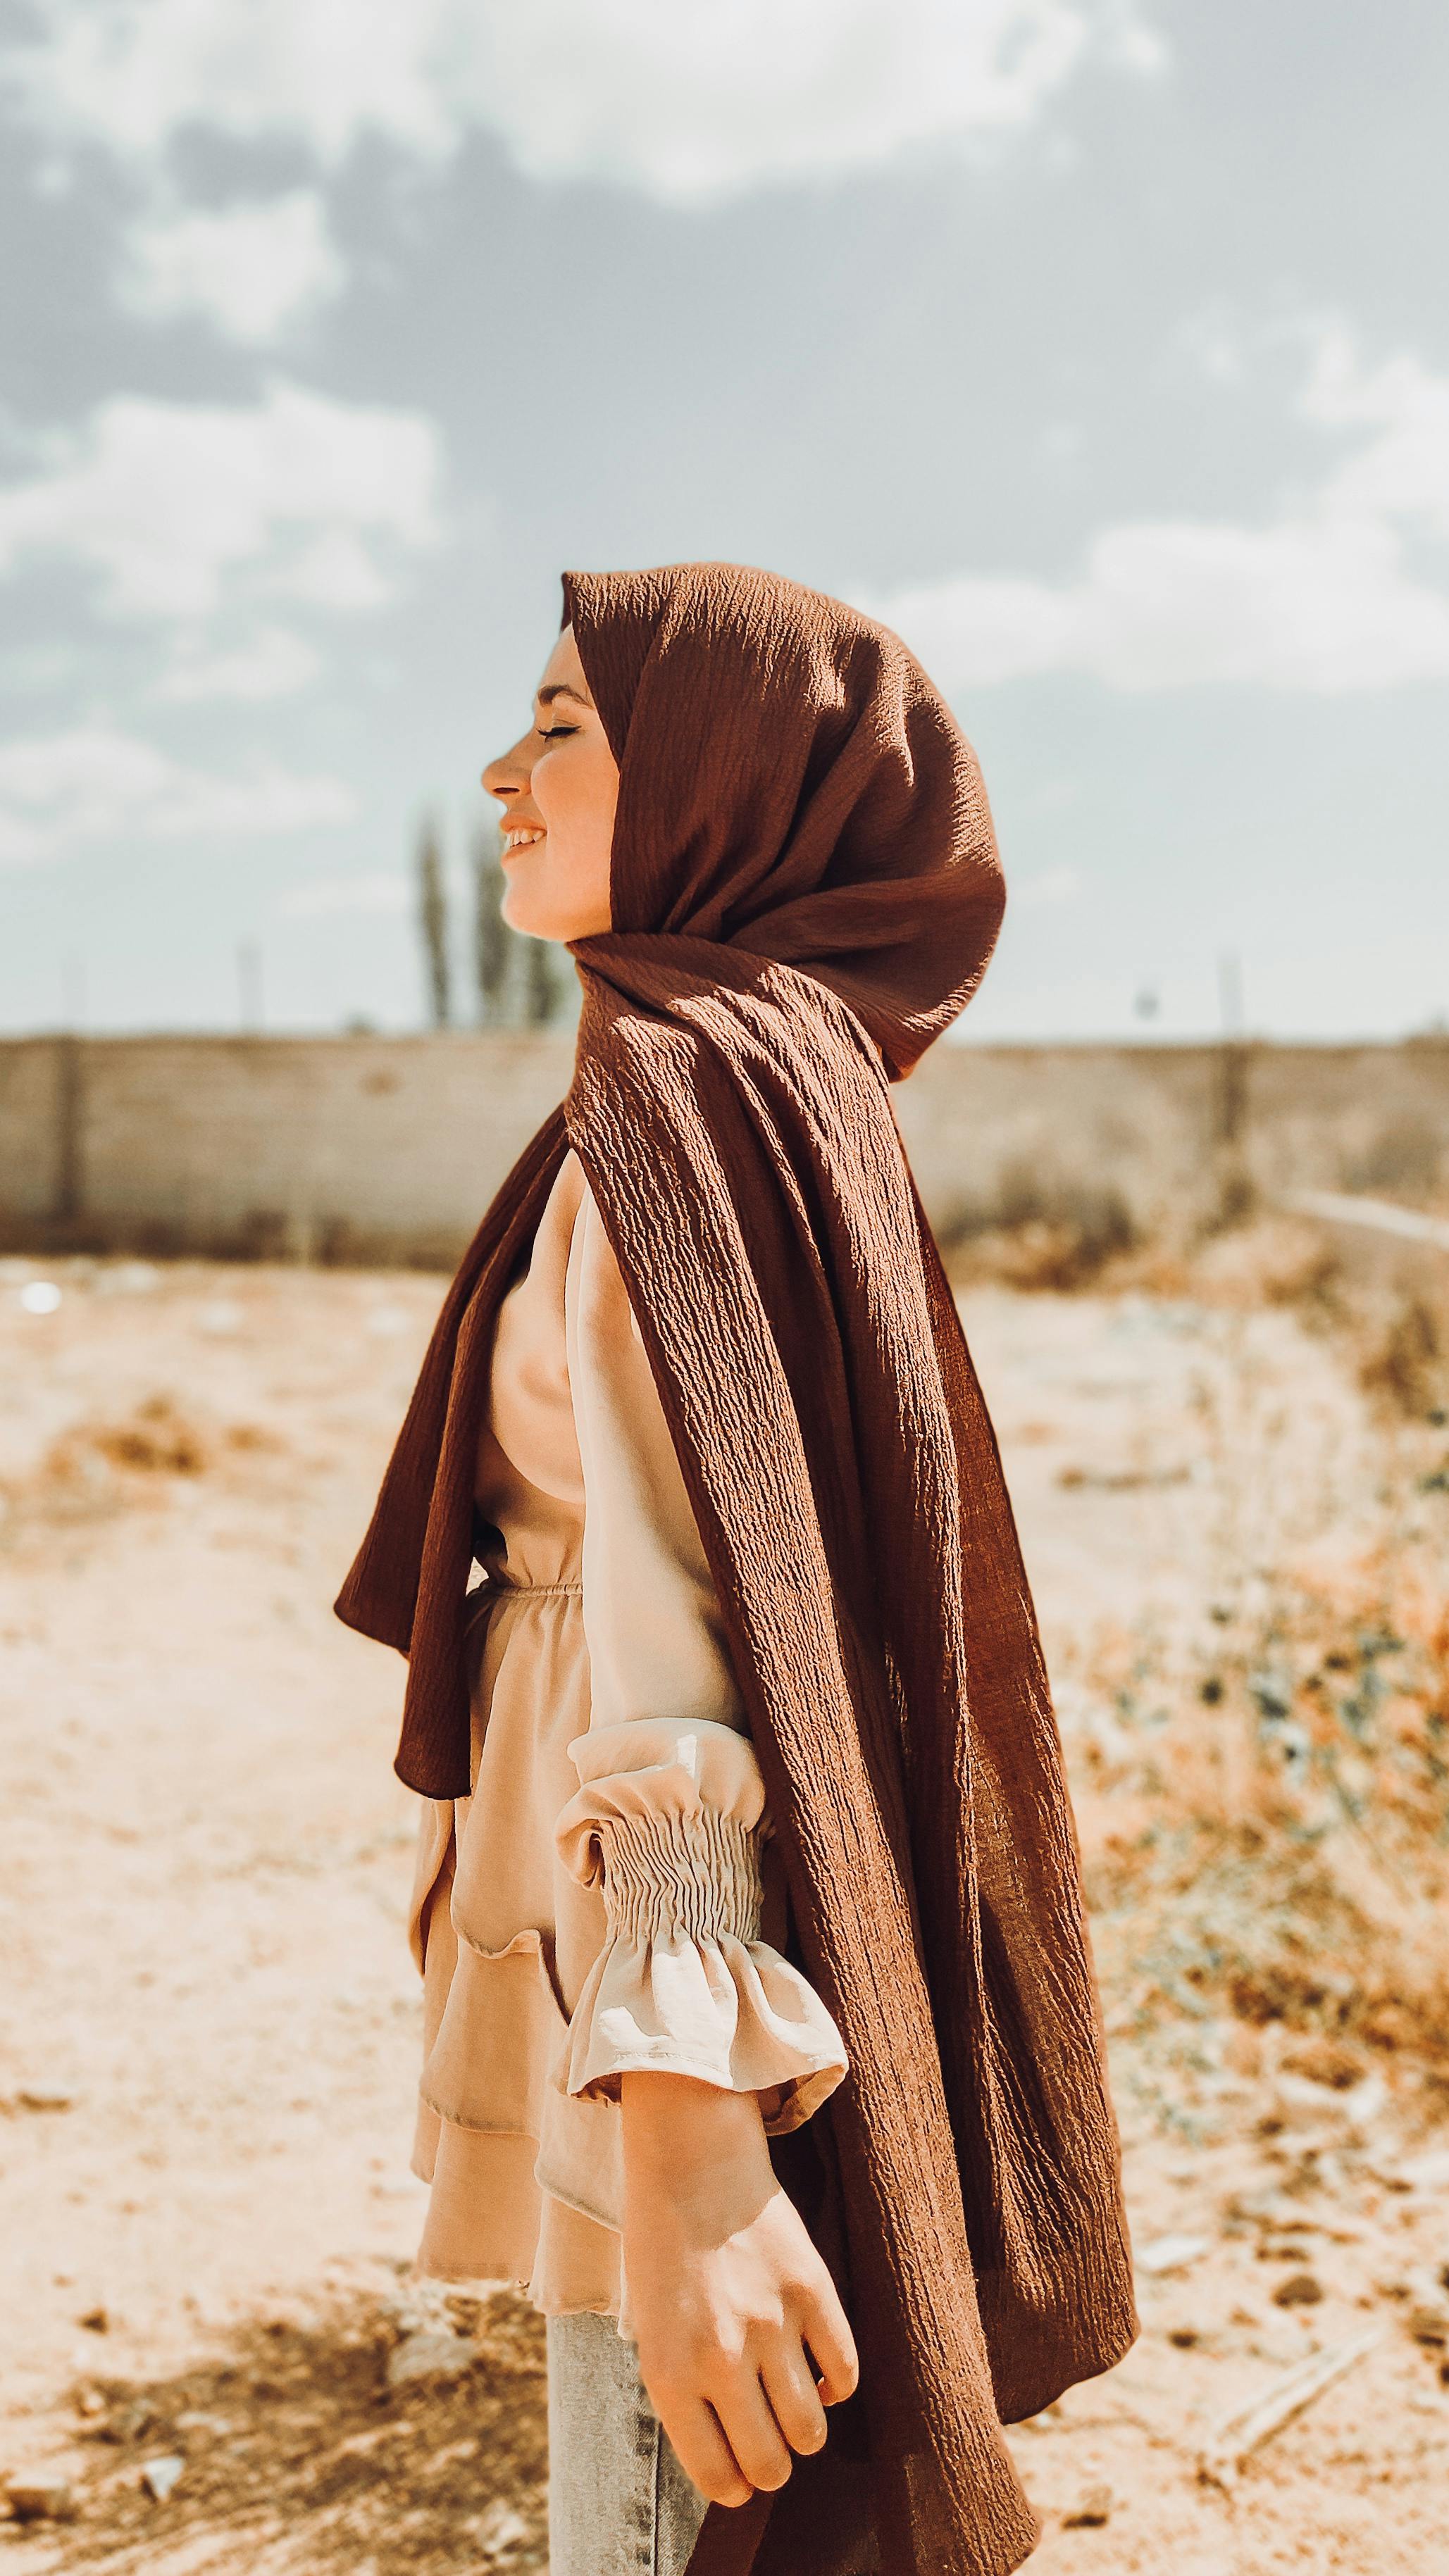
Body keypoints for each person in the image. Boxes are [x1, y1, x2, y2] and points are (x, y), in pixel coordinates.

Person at [337, 564, 1138, 2576]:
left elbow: (685, 1624)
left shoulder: (680, 1105)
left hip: (651, 1938)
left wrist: (689, 2138)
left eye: (562, 726)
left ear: (716, 777)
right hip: (646, 1897)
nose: (503, 772)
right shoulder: (764, 1072)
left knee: (667, 2485)